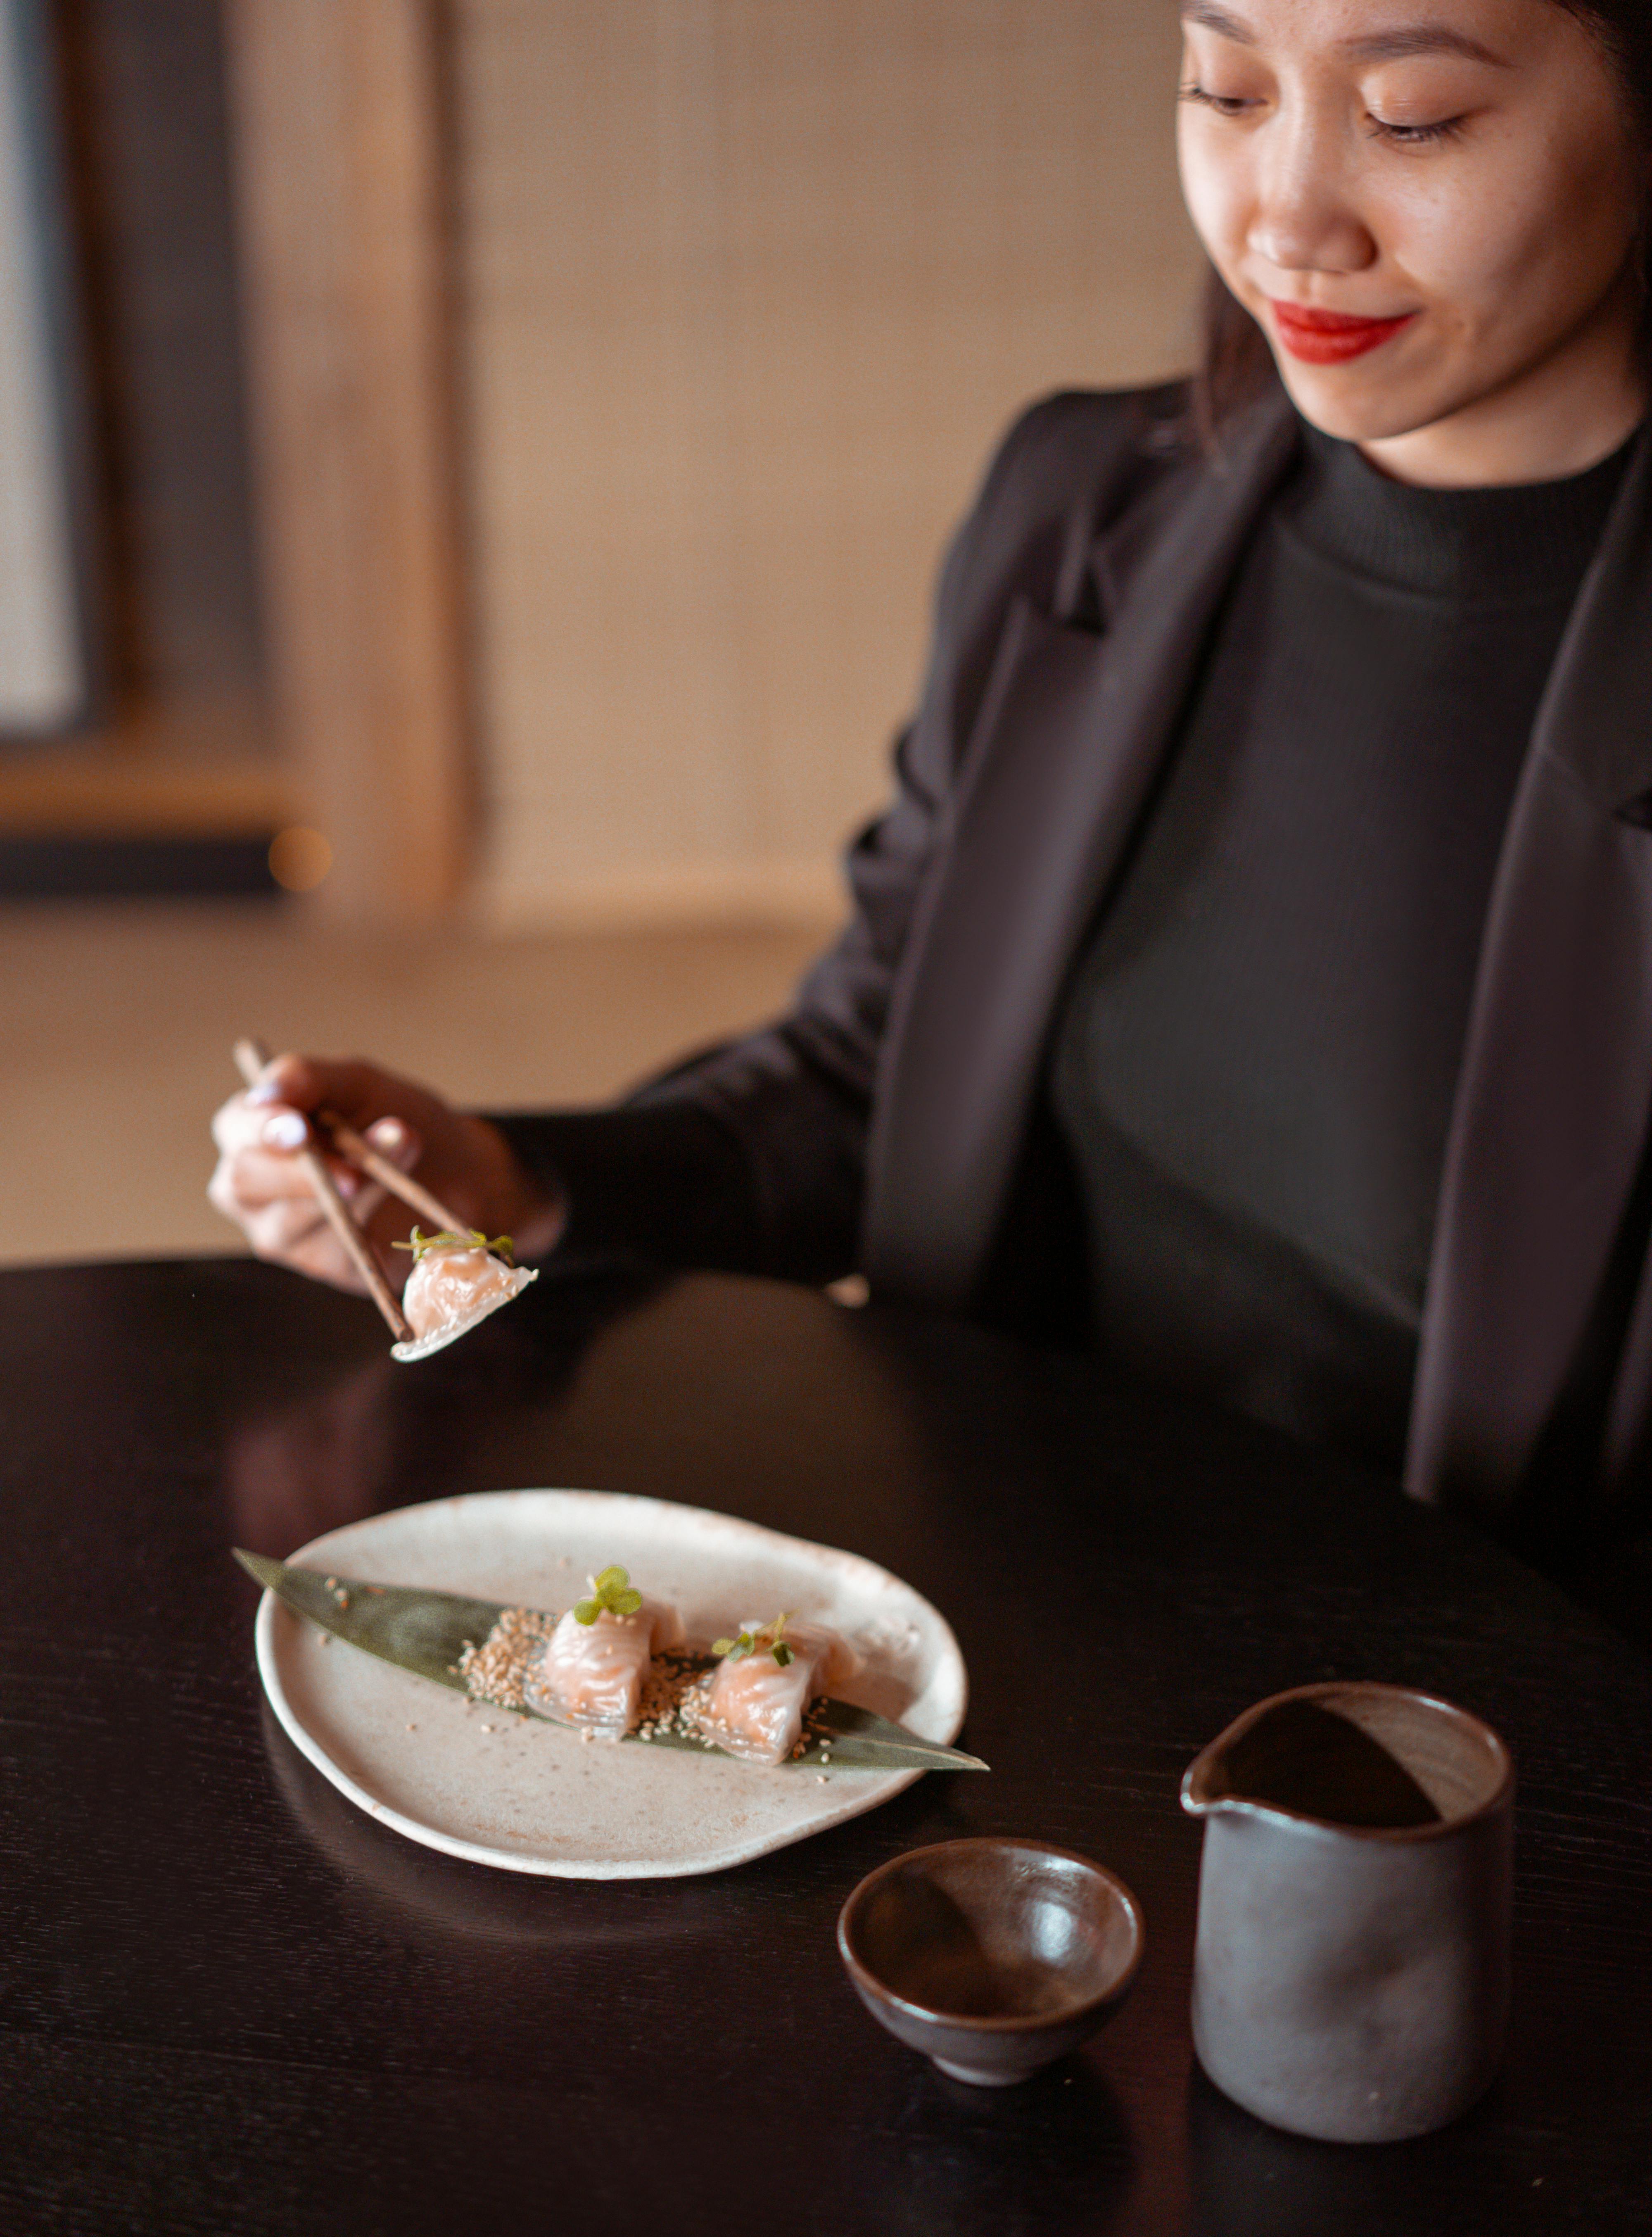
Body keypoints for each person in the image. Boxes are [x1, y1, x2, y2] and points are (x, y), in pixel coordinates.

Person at [212, 0, 1652, 1598]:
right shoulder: (1083, 506)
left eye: (1415, 117)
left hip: (1487, 1737)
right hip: (998, 1628)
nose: (1286, 218)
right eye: (1225, 89)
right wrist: (513, 1182)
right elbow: (873, 1068)